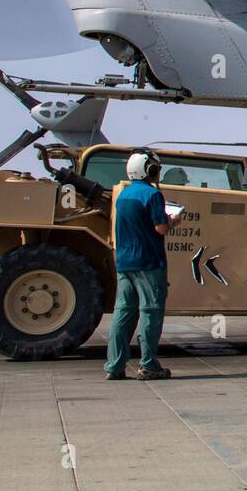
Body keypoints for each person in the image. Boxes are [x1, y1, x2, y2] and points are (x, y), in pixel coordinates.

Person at [105, 150, 174, 380]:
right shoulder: (152, 195)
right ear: (148, 170)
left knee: (123, 313)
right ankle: (149, 365)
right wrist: (173, 219)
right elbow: (161, 228)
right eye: (155, 168)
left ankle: (114, 366)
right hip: (149, 262)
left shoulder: (123, 196)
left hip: (125, 262)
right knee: (150, 312)